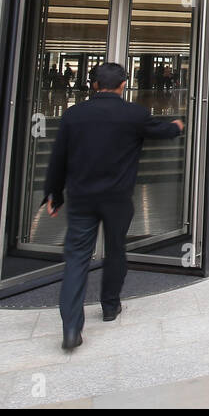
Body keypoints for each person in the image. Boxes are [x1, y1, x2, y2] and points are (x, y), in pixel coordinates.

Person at [41, 62, 184, 351]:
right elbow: (163, 130)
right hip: (117, 198)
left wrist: (53, 194)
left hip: (81, 198)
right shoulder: (133, 114)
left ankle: (71, 329)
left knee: (77, 260)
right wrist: (177, 125)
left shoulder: (73, 115)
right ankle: (109, 306)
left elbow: (58, 157)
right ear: (122, 85)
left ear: (94, 85)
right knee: (117, 249)